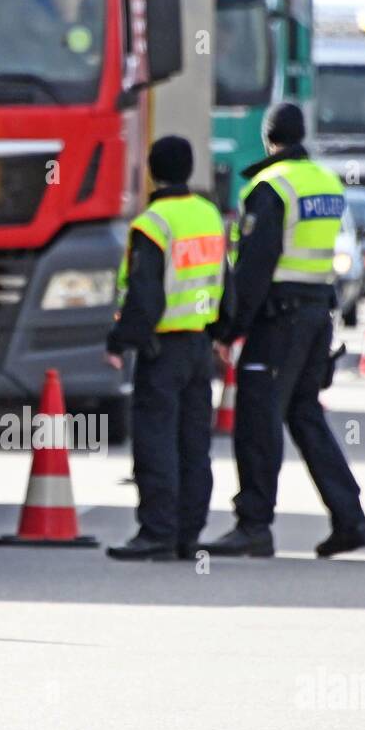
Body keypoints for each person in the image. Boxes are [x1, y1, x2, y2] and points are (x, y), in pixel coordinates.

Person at [203, 102, 365, 559]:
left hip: (278, 321)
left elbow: (255, 267)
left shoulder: (271, 187)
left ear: (268, 139)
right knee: (305, 417)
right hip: (316, 315)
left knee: (258, 420)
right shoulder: (326, 181)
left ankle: (253, 525)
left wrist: (229, 328)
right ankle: (350, 519)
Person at [105, 136, 225, 561]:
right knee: (195, 443)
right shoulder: (209, 215)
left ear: (152, 171)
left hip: (162, 350)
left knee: (156, 442)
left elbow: (145, 296)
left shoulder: (153, 224)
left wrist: (121, 341)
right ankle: (189, 534)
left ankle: (157, 532)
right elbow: (221, 278)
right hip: (200, 347)